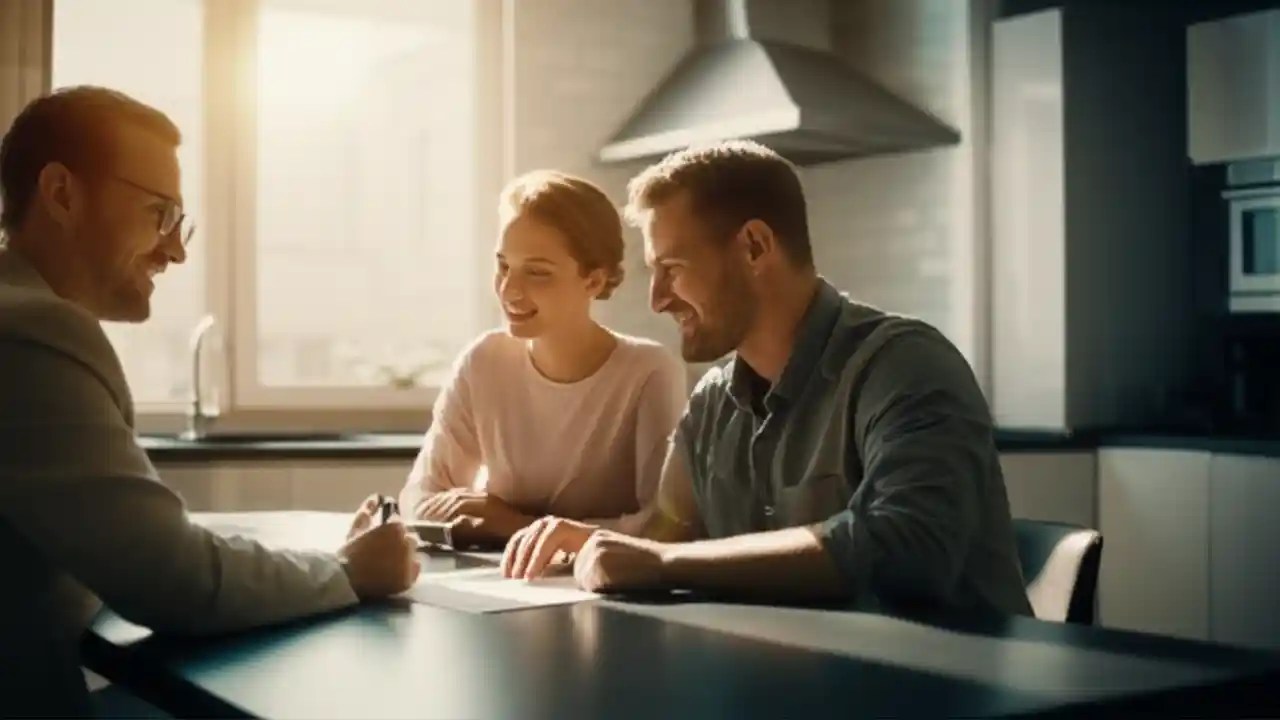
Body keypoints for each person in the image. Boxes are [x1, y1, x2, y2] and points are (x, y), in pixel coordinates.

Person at [0, 86, 420, 717]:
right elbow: (173, 580)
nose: (176, 249)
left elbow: (126, 544)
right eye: (158, 213)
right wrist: (346, 571)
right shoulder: (32, 335)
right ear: (61, 193)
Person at [502, 141, 1033, 617]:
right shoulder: (713, 403)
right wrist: (590, 541)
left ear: (755, 246)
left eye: (674, 268)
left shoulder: (905, 366)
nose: (658, 299)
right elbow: (669, 529)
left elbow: (906, 547)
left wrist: (663, 561)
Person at [400, 170, 687, 545]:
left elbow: (662, 525)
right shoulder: (484, 362)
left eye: (537, 273)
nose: (509, 290)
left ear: (594, 281)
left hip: (607, 585)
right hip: (505, 580)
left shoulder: (649, 371)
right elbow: (419, 501)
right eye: (503, 266)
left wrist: (510, 524)